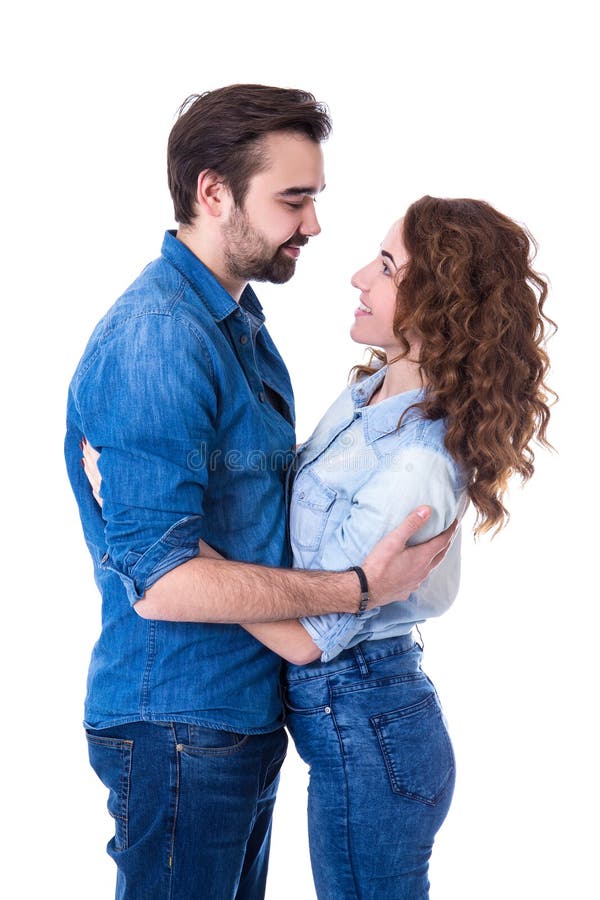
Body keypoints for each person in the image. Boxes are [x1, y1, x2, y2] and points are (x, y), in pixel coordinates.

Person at [65, 85, 455, 900]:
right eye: (293, 199)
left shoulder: (236, 324)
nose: (312, 225)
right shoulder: (159, 339)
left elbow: (264, 515)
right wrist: (353, 591)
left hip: (237, 715)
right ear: (213, 193)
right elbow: (163, 583)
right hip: (180, 719)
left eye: (313, 199)